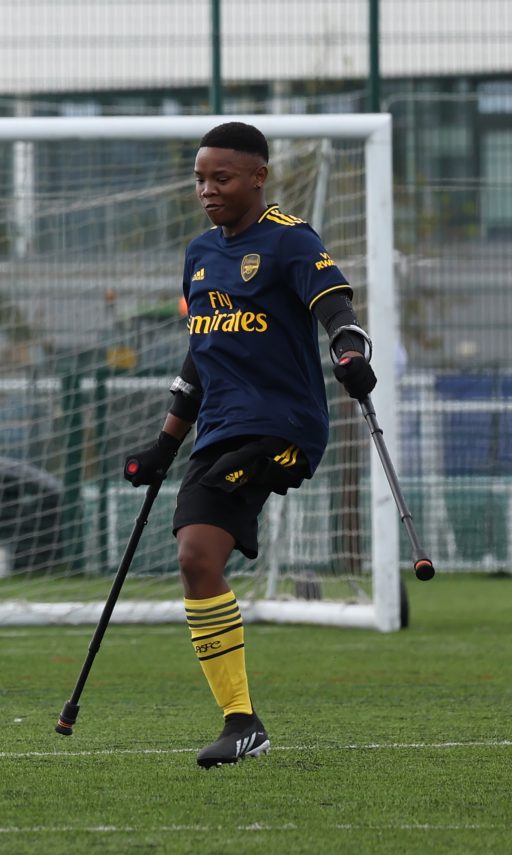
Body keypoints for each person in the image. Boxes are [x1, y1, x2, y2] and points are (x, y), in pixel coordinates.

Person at [122, 122, 377, 768]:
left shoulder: (291, 241)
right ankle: (242, 723)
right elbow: (201, 354)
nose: (208, 190)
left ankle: (243, 721)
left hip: (282, 429)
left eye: (222, 178)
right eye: (201, 178)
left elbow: (335, 306)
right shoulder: (200, 254)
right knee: (195, 561)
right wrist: (162, 445)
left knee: (196, 547)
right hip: (221, 430)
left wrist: (349, 349)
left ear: (259, 176)